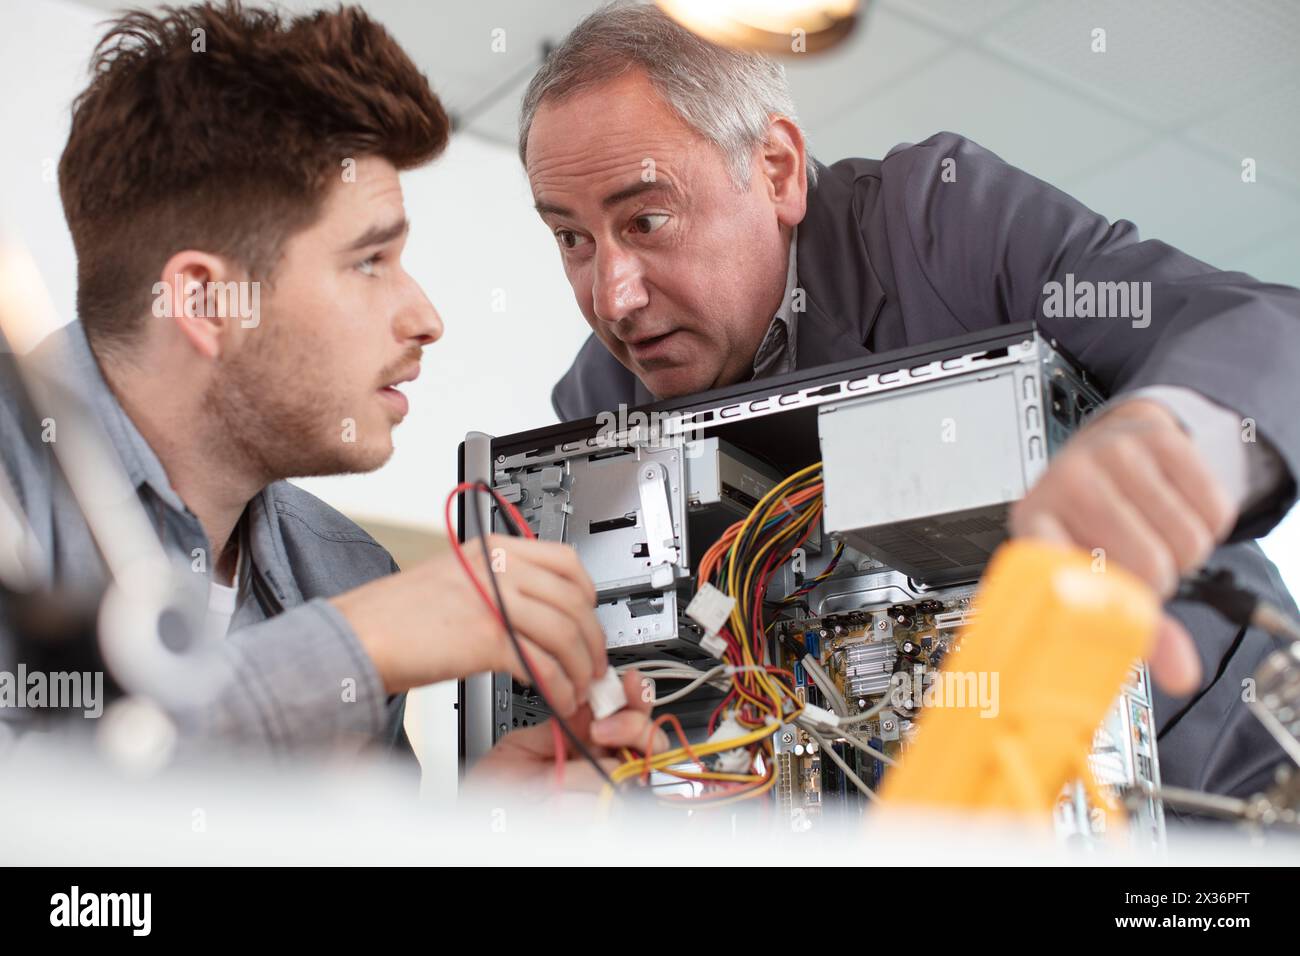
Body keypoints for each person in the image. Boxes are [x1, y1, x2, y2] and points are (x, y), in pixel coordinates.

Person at [519, 3, 1300, 798]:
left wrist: (1171, 435)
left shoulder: (933, 221)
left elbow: (1265, 325)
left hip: (1212, 752)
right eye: (571, 240)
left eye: (646, 220)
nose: (612, 297)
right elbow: (668, 691)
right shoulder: (598, 402)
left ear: (779, 170)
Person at [0, 0, 664, 785]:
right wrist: (352, 645)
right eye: (370, 261)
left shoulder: (345, 570)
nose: (426, 318)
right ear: (207, 303)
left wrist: (471, 840)